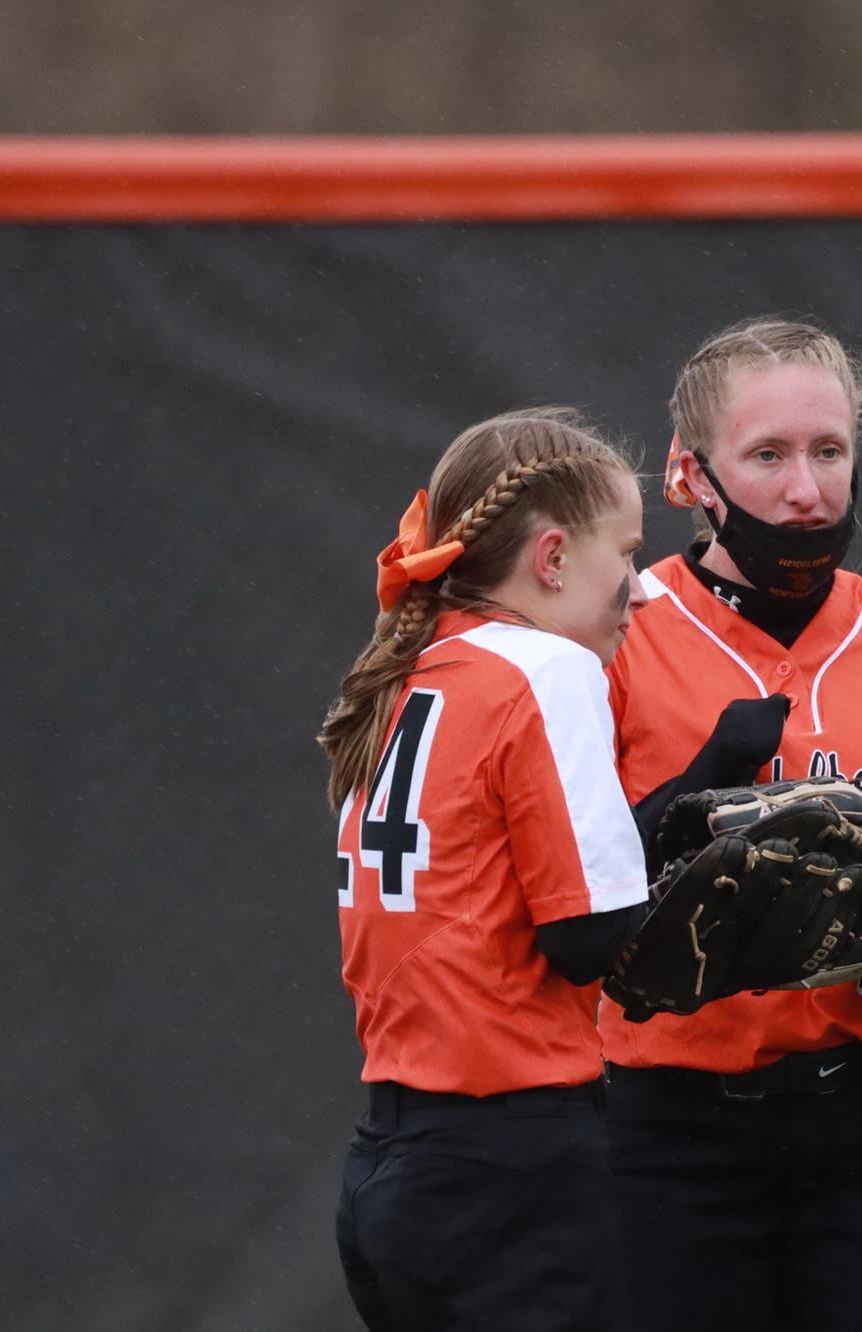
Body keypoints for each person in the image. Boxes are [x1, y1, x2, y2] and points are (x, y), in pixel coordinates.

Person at [599, 317, 862, 1332]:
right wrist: (695, 806)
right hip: (665, 1128)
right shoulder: (615, 636)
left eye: (829, 451)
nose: (806, 489)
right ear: (690, 474)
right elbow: (563, 900)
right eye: (769, 455)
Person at [318, 406, 651, 1332]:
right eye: (625, 554)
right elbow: (590, 936)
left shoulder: (409, 674)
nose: (642, 586)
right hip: (515, 1168)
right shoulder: (547, 669)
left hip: (394, 1168)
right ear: (550, 560)